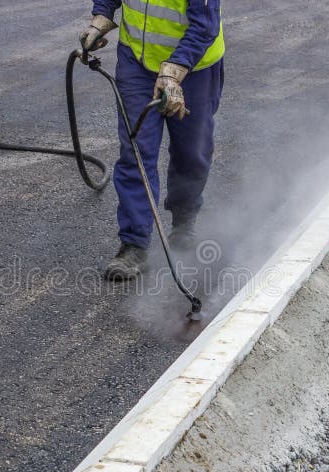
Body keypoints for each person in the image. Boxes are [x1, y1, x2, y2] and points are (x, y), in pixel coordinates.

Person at [80, 0, 225, 281]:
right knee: (136, 149)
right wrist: (101, 16)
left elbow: (205, 25)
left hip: (194, 68)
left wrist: (175, 71)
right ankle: (134, 243)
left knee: (191, 152)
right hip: (137, 62)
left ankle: (184, 222)